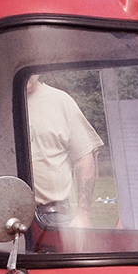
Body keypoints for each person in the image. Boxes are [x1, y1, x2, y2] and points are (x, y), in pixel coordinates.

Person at [25, 75, 103, 229]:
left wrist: (83, 216)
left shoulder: (61, 101)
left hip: (53, 215)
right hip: (5, 214)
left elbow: (84, 158)